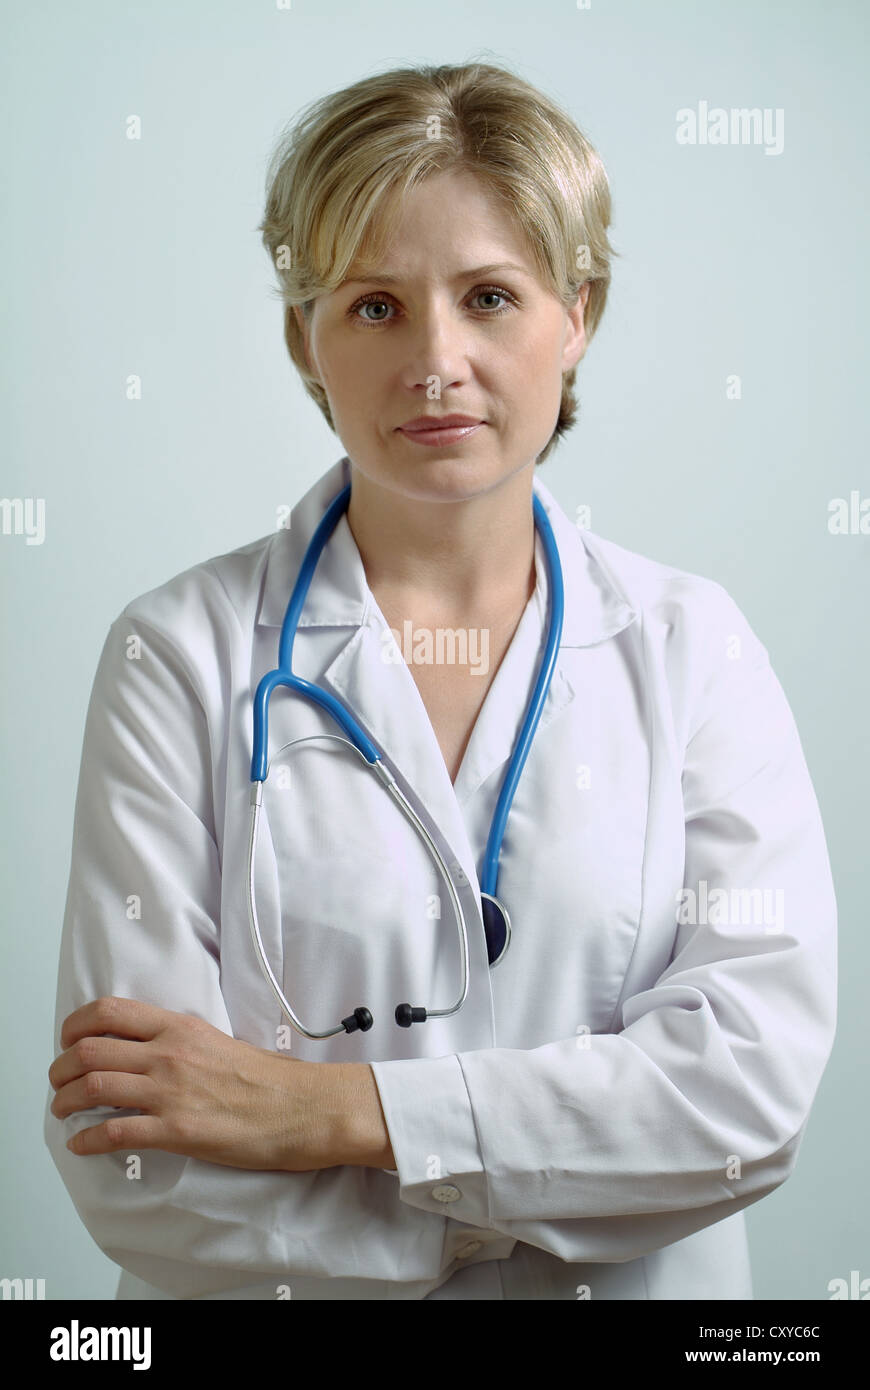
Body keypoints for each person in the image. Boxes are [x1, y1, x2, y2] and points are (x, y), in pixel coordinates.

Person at [44, 60, 837, 1301]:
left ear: (578, 315)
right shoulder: (178, 656)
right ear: (303, 337)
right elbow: (134, 1162)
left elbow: (745, 1097)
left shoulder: (695, 649)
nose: (437, 360)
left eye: (489, 297)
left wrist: (328, 1114)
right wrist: (536, 1193)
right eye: (373, 306)